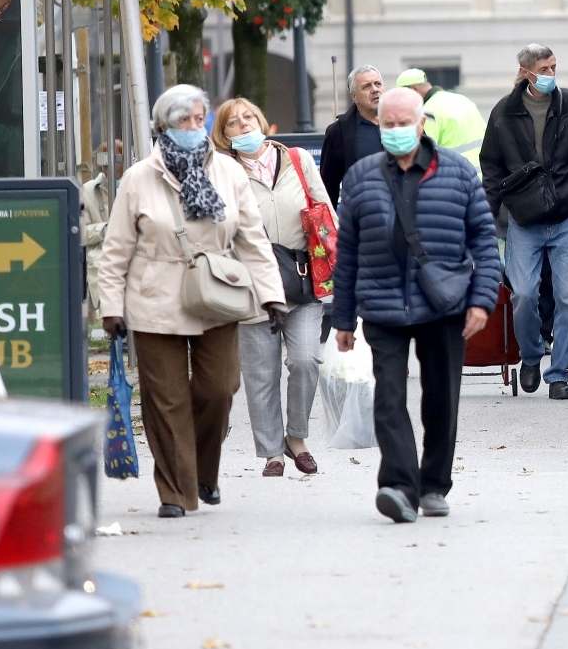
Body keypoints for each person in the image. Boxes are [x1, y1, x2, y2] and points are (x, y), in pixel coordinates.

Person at [96, 85, 286, 517]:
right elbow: (116, 249)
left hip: (216, 292)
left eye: (200, 118)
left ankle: (203, 471)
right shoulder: (140, 177)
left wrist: (272, 296)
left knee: (218, 389)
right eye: (184, 120)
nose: (194, 126)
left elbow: (253, 241)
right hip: (154, 298)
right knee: (166, 399)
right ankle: (176, 492)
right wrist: (111, 307)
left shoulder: (228, 172)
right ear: (163, 126)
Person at [332, 87, 499, 524]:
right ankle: (399, 487)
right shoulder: (361, 177)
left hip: (444, 305)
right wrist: (343, 317)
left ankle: (434, 485)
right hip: (382, 305)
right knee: (388, 398)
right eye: (388, 124)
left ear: (422, 124)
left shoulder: (458, 173)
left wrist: (482, 301)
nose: (397, 131)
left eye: (404, 123)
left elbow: (484, 239)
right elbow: (346, 251)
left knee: (441, 398)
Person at [480, 44, 568, 401]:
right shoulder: (504, 113)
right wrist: (485, 214)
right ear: (526, 72)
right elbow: (492, 168)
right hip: (523, 220)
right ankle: (530, 356)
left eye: (554, 67)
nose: (551, 74)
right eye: (544, 68)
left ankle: (559, 375)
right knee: (523, 294)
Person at [212, 97, 332, 478]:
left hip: (302, 280)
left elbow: (326, 213)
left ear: (262, 121)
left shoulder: (297, 159)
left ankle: (296, 437)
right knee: (261, 373)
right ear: (224, 134)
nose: (244, 126)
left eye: (249, 118)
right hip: (251, 286)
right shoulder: (221, 171)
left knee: (306, 360)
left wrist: (335, 266)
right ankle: (271, 453)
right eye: (233, 123)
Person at [394, 68, 488, 170]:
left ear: (414, 90)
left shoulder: (428, 112)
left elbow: (423, 156)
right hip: (479, 176)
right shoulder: (463, 100)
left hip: (455, 177)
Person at [320, 65, 384, 205]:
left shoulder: (403, 122)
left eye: (378, 84)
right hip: (361, 216)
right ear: (354, 96)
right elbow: (328, 185)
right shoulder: (340, 131)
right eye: (367, 86)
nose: (375, 89)